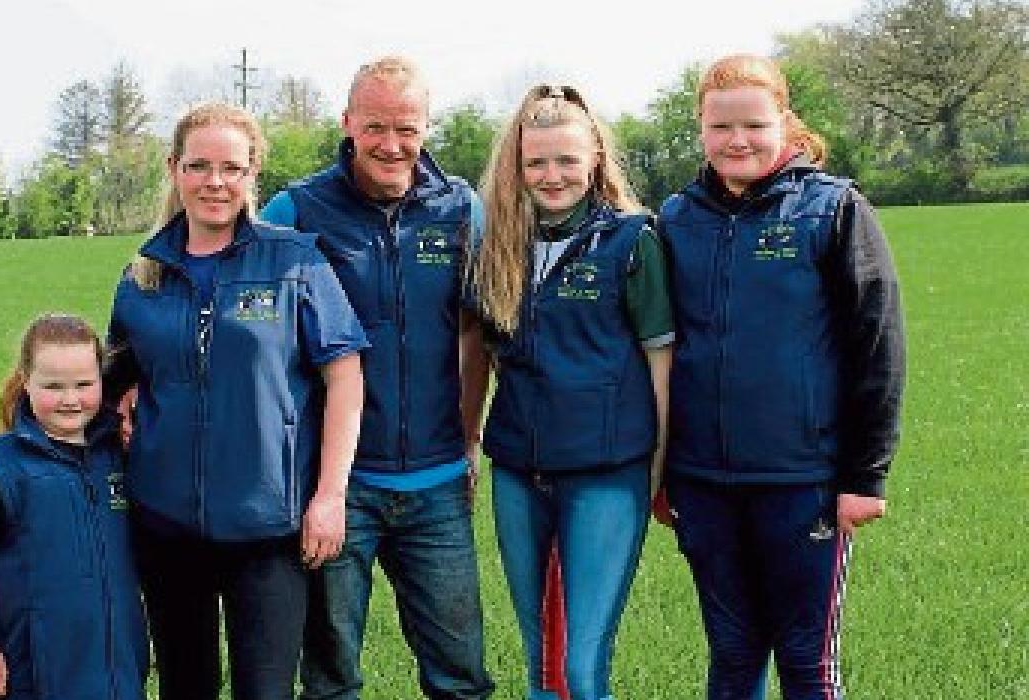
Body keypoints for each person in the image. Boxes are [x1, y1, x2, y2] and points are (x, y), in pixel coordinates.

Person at [656, 54, 906, 699]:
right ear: (701, 130)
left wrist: (865, 476)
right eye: (720, 127)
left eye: (754, 125)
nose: (737, 141)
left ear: (785, 125)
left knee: (805, 661)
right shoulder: (676, 220)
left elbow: (878, 349)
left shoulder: (834, 210)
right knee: (733, 654)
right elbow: (653, 352)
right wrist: (660, 473)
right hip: (703, 483)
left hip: (806, 481)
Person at [105, 102, 368, 700]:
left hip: (268, 528)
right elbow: (113, 382)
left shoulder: (295, 259)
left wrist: (330, 496)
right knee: (184, 686)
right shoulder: (142, 274)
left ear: (254, 174)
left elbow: (346, 377)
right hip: (165, 523)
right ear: (175, 169)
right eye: (199, 166)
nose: (215, 182)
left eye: (231, 167)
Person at [260, 56, 494, 700]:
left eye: (407, 128)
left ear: (426, 126)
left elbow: (475, 333)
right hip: (337, 487)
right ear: (347, 124)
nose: (391, 145)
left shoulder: (461, 209)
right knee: (331, 678)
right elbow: (230, 295)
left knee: (462, 676)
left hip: (438, 484)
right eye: (375, 127)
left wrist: (467, 439)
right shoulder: (297, 210)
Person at [470, 84, 674, 700]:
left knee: (581, 670)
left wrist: (661, 470)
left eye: (566, 160)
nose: (552, 175)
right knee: (541, 664)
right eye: (537, 162)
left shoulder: (632, 240)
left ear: (594, 160)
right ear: (517, 166)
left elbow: (661, 363)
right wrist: (465, 442)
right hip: (517, 471)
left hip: (606, 474)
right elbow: (476, 356)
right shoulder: (496, 244)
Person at [0, 313, 148, 700]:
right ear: (26, 383)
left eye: (84, 385)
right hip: (36, 667)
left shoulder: (118, 452)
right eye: (53, 387)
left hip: (116, 663)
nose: (71, 400)